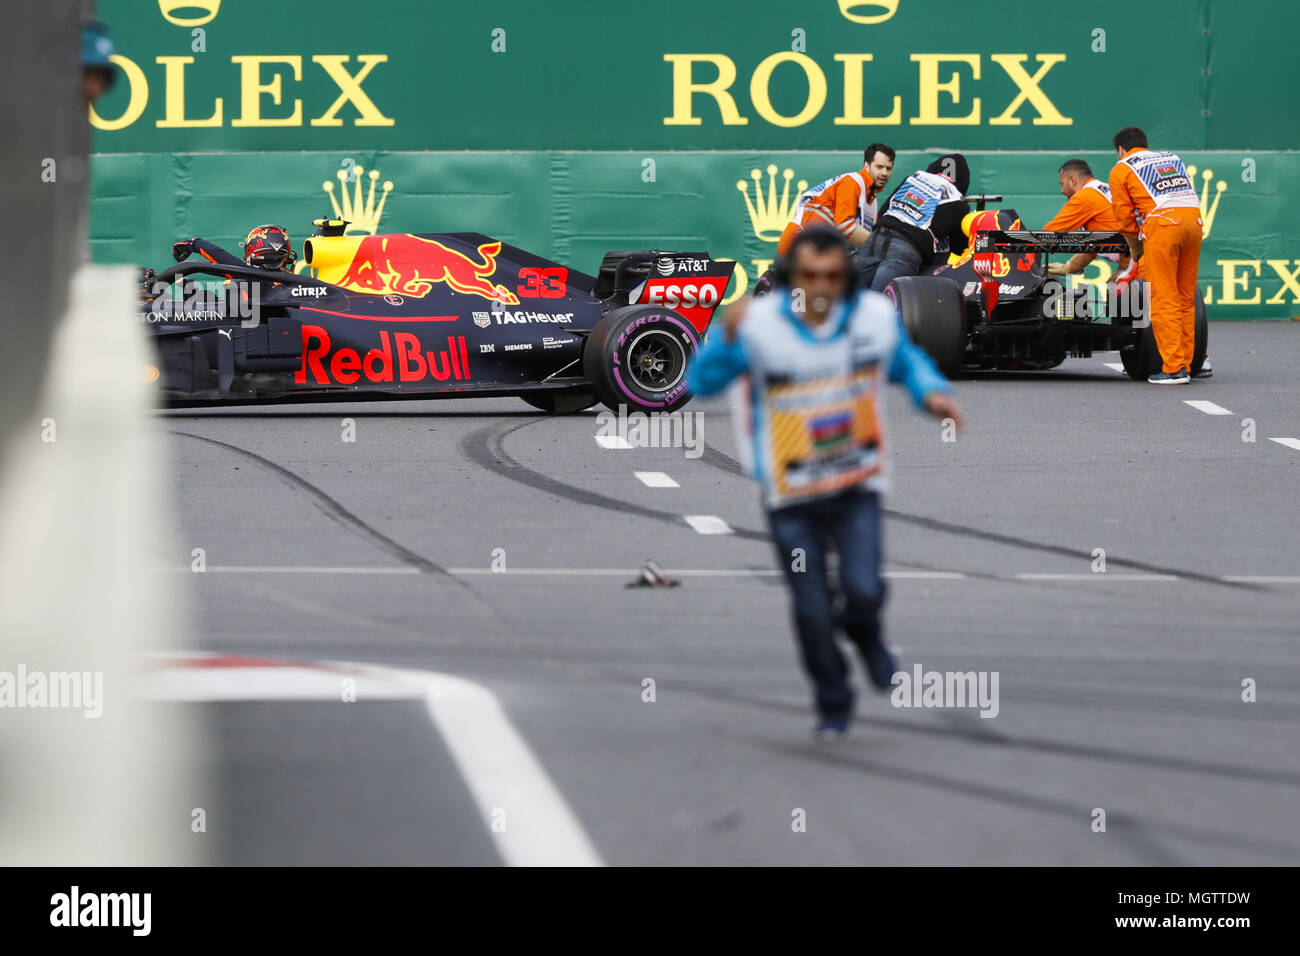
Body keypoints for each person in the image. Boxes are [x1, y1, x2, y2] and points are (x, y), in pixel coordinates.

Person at [688, 227, 964, 741]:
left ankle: (869, 637)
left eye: (832, 277)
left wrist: (933, 394)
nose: (820, 287)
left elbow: (907, 362)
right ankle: (833, 700)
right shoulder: (759, 326)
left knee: (863, 589)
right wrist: (725, 335)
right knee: (812, 609)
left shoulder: (874, 318)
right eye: (810, 276)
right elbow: (700, 385)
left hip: (856, 481)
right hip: (789, 492)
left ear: (846, 279)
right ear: (793, 278)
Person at [1108, 127, 1204, 384]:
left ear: (1120, 149)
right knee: (1185, 296)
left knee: (1162, 298)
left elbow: (1125, 218)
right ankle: (1187, 362)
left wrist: (1135, 250)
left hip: (1163, 224)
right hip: (1193, 221)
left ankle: (1173, 369)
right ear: (1145, 145)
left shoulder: (1122, 167)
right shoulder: (1171, 157)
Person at [859, 153, 971, 291]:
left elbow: (883, 211)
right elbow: (959, 248)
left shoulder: (915, 177)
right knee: (879, 304)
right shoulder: (959, 201)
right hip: (906, 248)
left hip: (876, 237)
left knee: (851, 299)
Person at [776, 144, 896, 257]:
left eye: (888, 168)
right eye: (879, 167)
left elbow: (863, 241)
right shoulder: (852, 182)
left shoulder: (872, 201)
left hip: (821, 251)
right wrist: (883, 248)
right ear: (866, 165)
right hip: (798, 243)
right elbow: (845, 225)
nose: (884, 173)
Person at [1043, 159, 1123, 276]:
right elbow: (1090, 251)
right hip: (1142, 258)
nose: (1062, 191)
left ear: (1072, 180)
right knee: (1116, 290)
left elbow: (1049, 234)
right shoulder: (1103, 189)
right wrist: (1068, 268)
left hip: (1142, 263)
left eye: (1062, 184)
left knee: (1121, 291)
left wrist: (1019, 251)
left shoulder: (1085, 197)